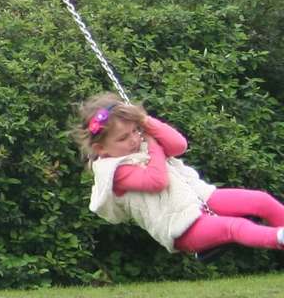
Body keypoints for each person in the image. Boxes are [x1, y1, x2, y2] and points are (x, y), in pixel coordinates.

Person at [75, 94, 284, 255]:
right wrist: (154, 144)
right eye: (123, 138)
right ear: (101, 149)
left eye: (135, 131)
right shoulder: (114, 171)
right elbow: (156, 181)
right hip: (181, 227)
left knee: (261, 200)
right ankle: (278, 237)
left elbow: (179, 146)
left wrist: (146, 122)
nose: (133, 140)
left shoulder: (140, 142)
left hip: (199, 198)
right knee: (235, 227)